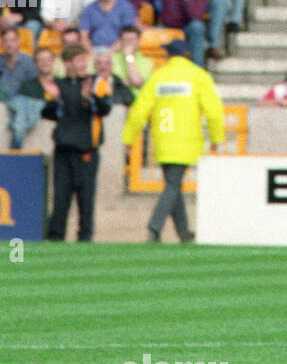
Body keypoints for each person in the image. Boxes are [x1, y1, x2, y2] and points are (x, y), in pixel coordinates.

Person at [122, 39, 226, 242]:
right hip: (186, 140)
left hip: (163, 137)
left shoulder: (158, 76)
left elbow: (139, 111)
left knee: (173, 185)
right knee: (173, 185)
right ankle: (155, 227)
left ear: (169, 56)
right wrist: (216, 138)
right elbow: (214, 112)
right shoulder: (199, 76)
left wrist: (129, 138)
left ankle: (184, 233)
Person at [43, 43, 112, 242]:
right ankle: (55, 238)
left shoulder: (96, 82)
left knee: (86, 197)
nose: (84, 64)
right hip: (63, 149)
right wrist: (56, 100)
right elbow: (47, 113)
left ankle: (85, 238)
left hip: (87, 150)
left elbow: (105, 109)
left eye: (84, 59)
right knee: (60, 197)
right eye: (79, 60)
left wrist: (89, 99)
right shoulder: (58, 85)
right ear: (68, 63)